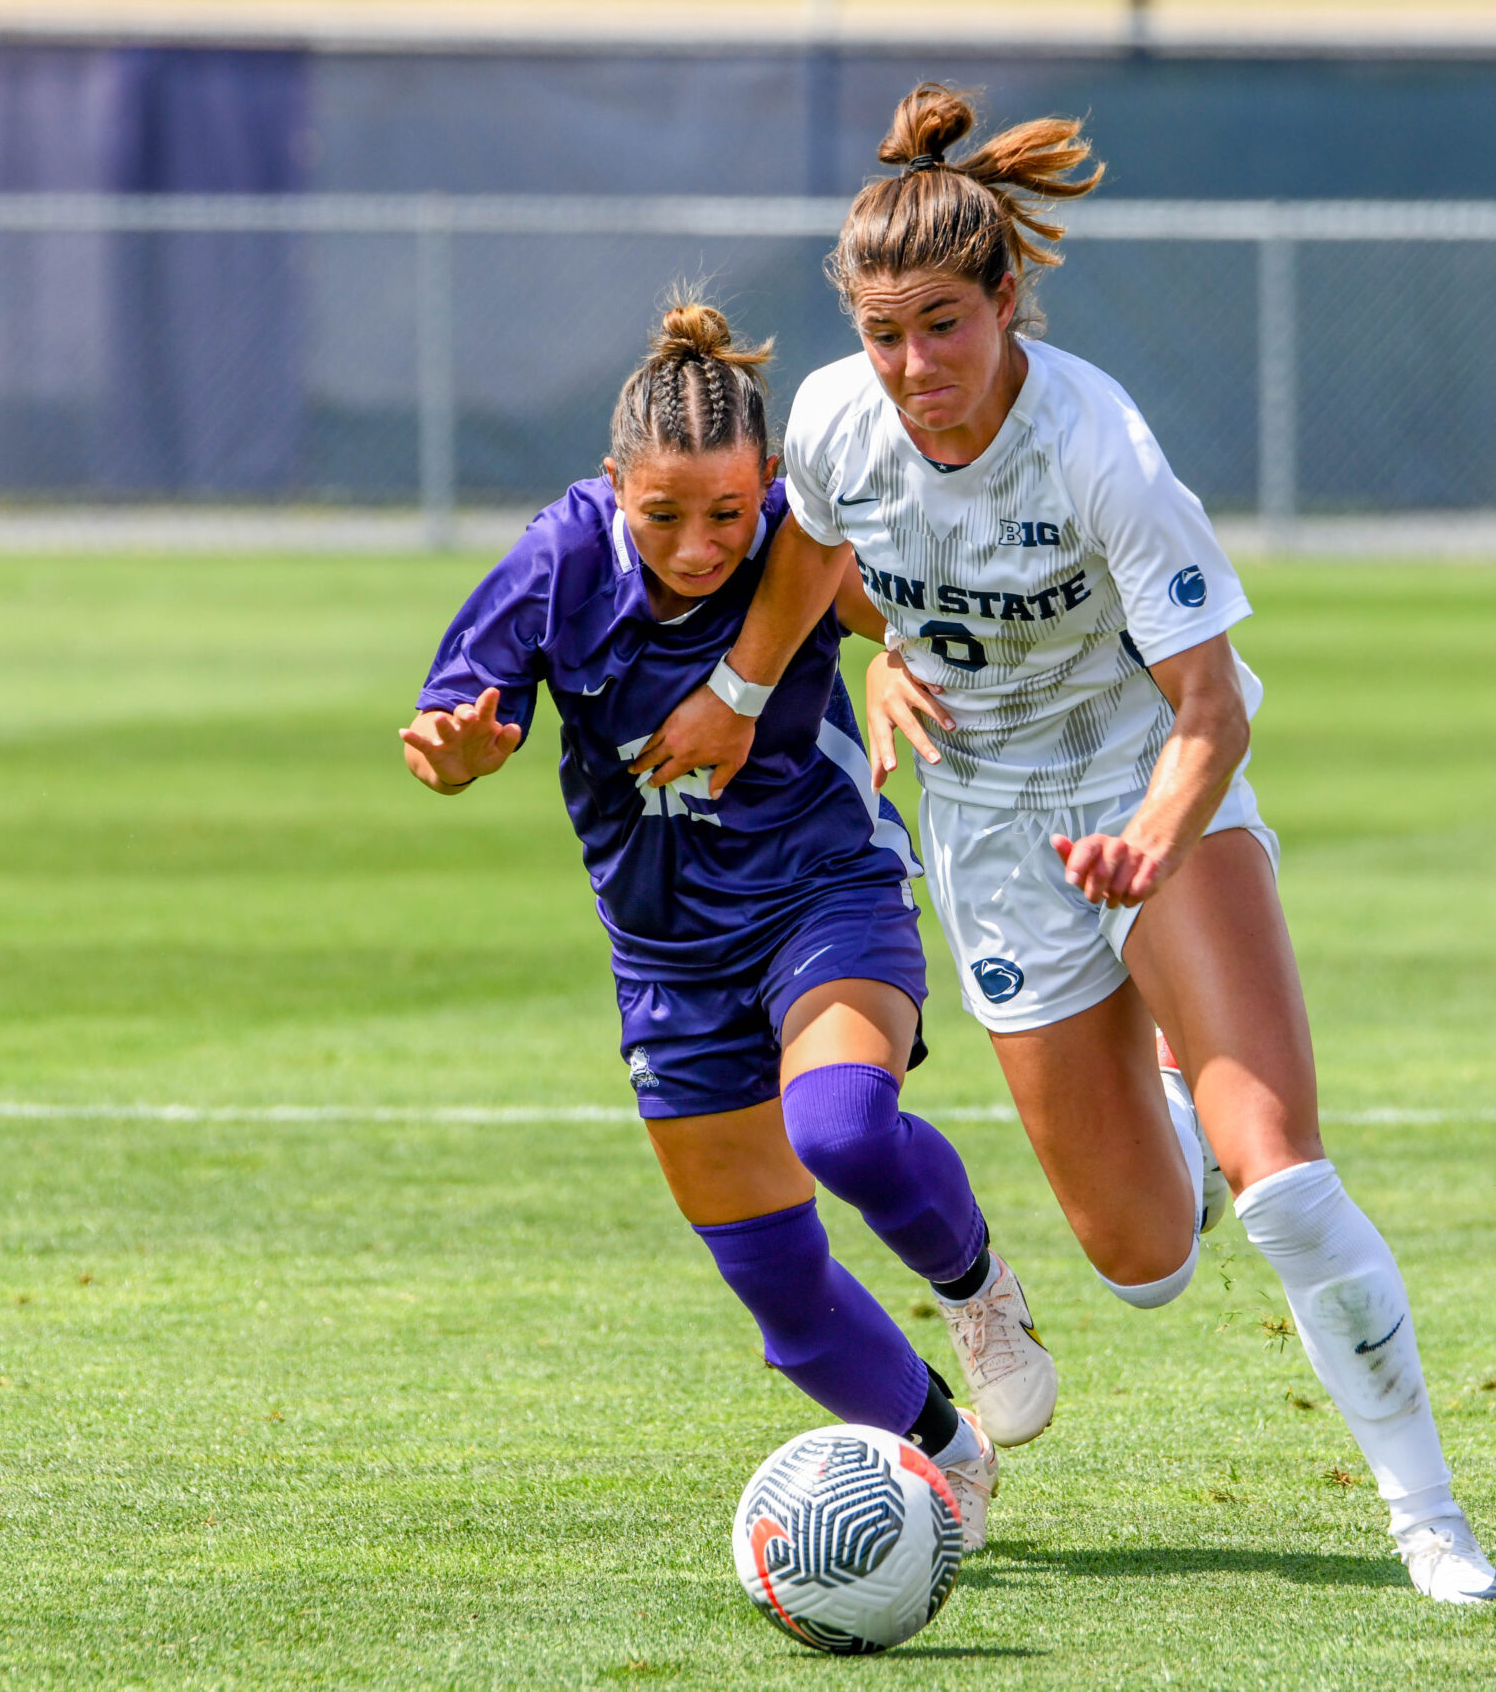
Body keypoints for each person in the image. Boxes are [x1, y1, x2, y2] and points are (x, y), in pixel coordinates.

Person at [648, 86, 1496, 1603]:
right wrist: (816, 664)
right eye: (883, 332)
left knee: (1287, 1184)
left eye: (942, 324)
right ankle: (1174, 1096)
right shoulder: (843, 425)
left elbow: (1209, 704)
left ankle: (1431, 1520)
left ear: (1005, 302)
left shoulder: (1097, 441)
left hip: (1145, 776)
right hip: (987, 819)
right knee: (1142, 1257)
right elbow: (811, 551)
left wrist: (1153, 841)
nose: (914, 367)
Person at [397, 299, 1058, 1551]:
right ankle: (946, 1461)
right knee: (781, 1299)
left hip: (822, 893)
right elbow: (440, 742)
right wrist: (462, 756)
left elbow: (910, 613)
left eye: (727, 513)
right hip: (664, 959)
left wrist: (893, 657)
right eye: (663, 516)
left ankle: (978, 1292)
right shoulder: (557, 563)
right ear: (611, 489)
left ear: (770, 487)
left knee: (842, 1127)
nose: (699, 545)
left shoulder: (798, 538)